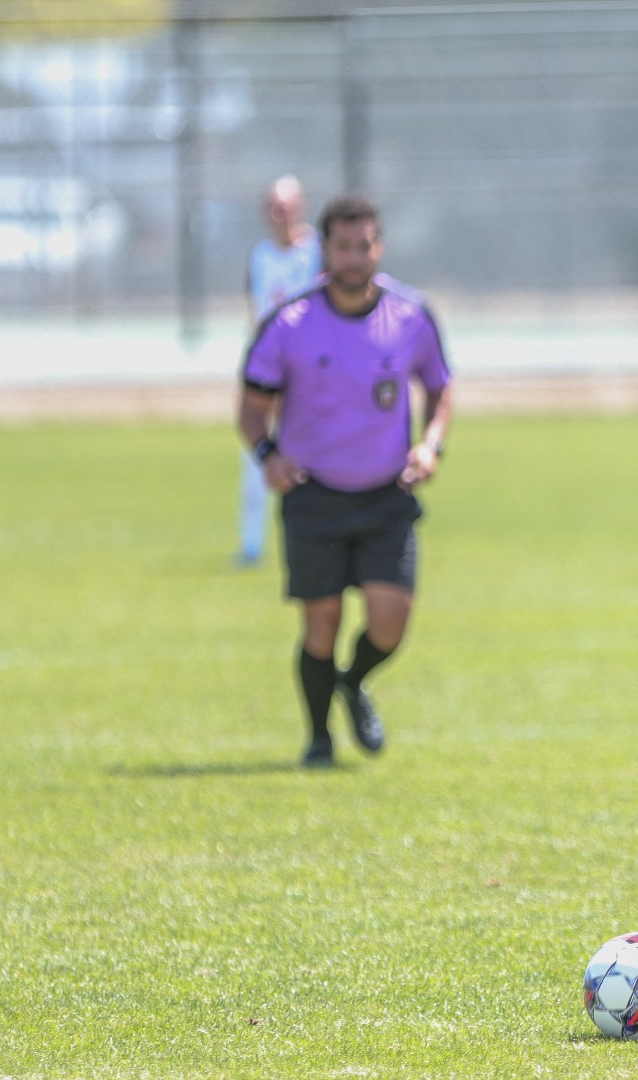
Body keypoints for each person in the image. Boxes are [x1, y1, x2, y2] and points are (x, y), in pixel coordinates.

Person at [237, 193, 453, 768]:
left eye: (365, 246)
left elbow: (439, 388)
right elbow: (251, 407)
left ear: (378, 248)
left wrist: (430, 444)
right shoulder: (290, 322)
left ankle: (352, 684)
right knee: (321, 624)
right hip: (315, 495)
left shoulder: (410, 315)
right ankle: (318, 739)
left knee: (390, 622)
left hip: (387, 493)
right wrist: (268, 455)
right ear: (324, 251)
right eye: (342, 247)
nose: (354, 257)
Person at [237, 177, 323, 566]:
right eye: (274, 207)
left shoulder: (317, 255)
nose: (280, 215)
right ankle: (251, 547)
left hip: (310, 372)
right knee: (257, 455)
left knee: (314, 456)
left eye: (286, 207)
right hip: (270, 372)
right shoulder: (260, 257)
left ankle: (316, 540)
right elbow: (256, 314)